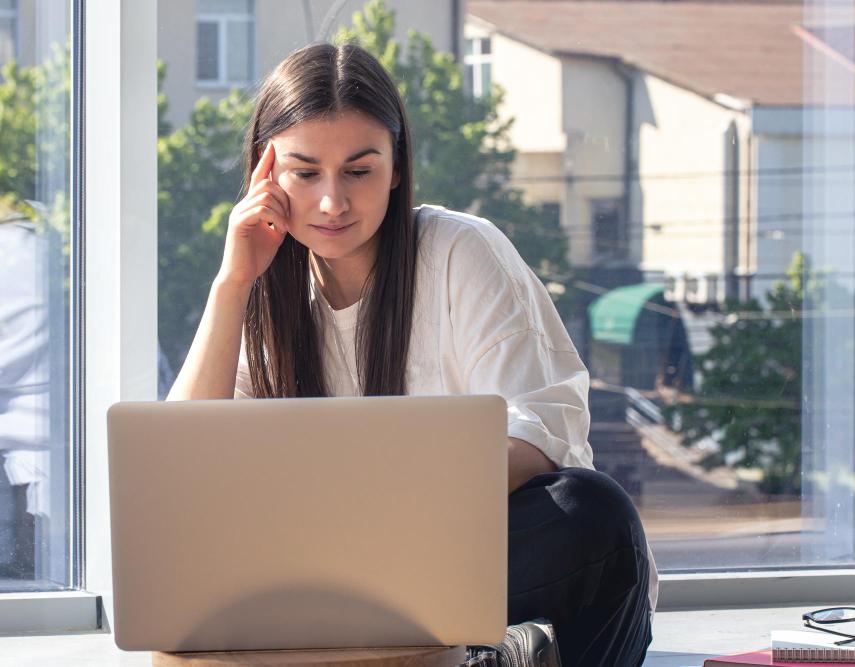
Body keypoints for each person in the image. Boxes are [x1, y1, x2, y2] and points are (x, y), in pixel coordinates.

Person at [166, 42, 656, 666]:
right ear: (266, 176)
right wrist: (231, 284)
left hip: (454, 564)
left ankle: (492, 651)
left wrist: (374, 507)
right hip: (319, 577)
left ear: (396, 168)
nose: (333, 202)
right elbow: (181, 468)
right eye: (306, 171)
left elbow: (540, 437)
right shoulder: (263, 288)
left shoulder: (460, 251)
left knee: (591, 514)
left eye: (359, 170)